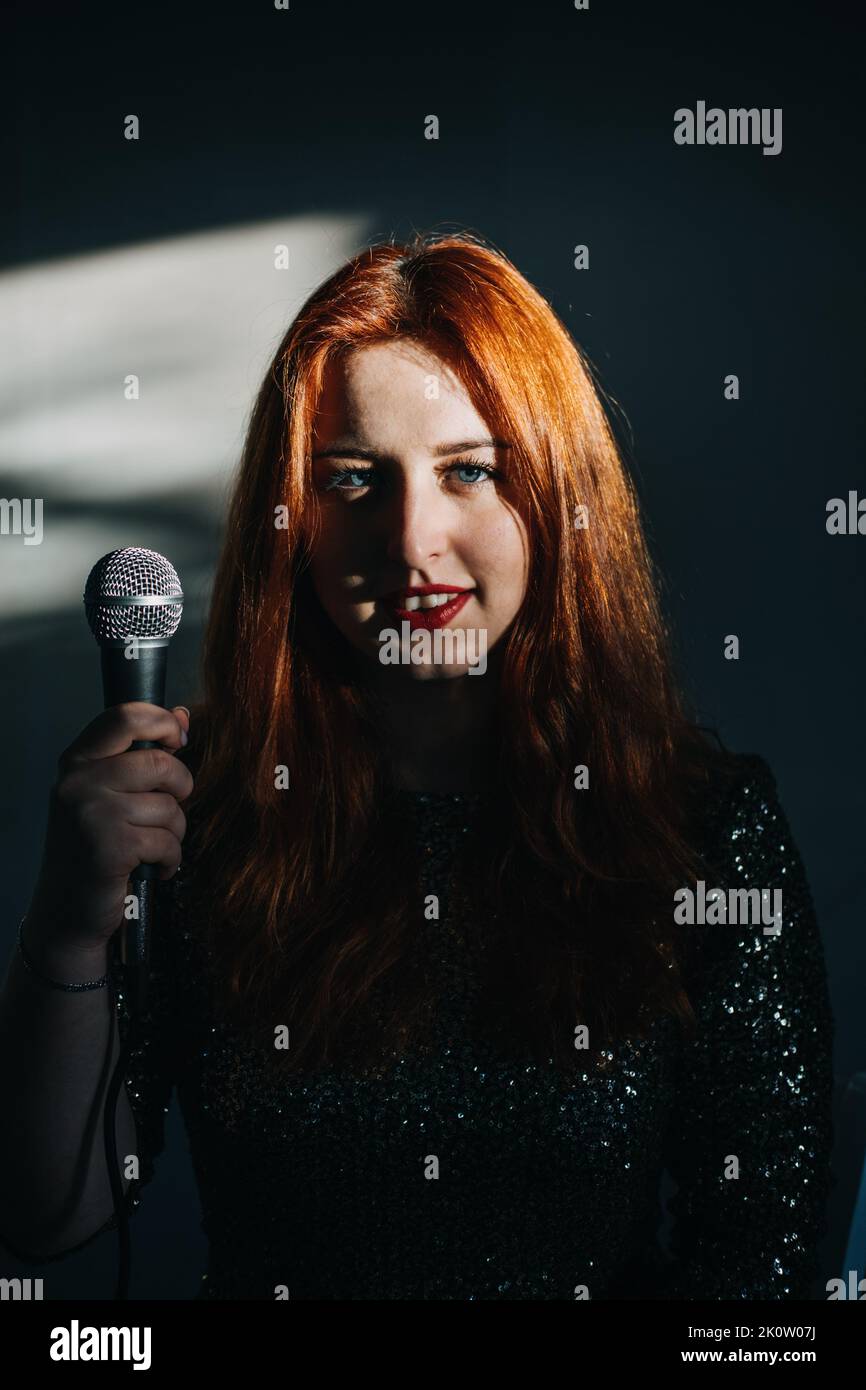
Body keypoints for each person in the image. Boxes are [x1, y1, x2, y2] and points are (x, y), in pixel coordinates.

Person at [0, 231, 834, 1300]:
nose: (411, 539)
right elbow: (48, 1212)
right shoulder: (193, 810)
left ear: (555, 497)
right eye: (352, 479)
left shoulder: (702, 829)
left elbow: (756, 1271)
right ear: (290, 521)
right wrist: (72, 917)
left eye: (469, 472)